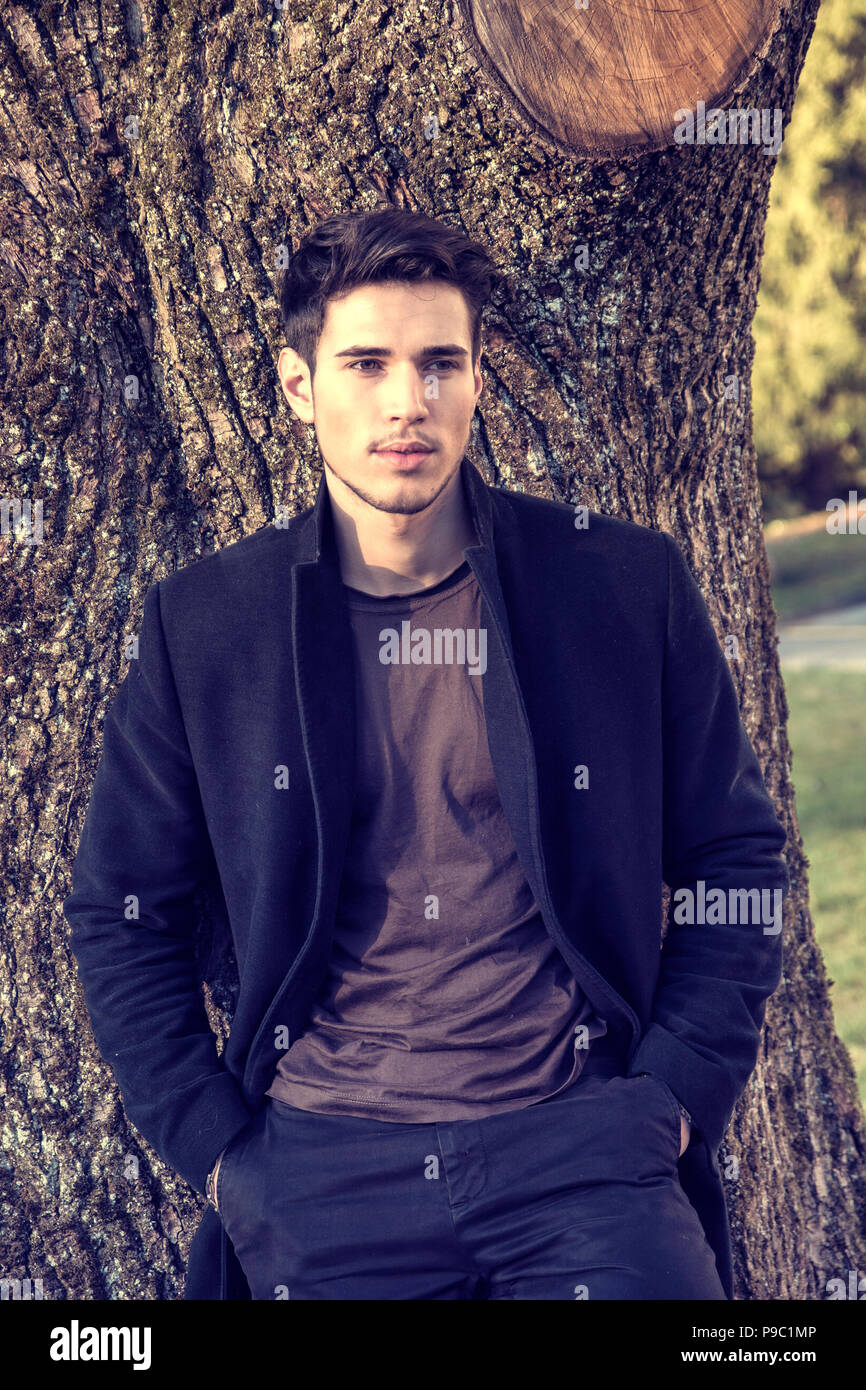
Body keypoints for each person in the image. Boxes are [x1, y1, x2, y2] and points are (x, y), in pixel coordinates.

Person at [64, 207, 789, 1300]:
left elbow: (735, 857)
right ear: (297, 385)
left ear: (478, 380)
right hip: (321, 1175)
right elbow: (120, 913)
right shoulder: (208, 624)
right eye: (366, 363)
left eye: (439, 362)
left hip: (583, 1162)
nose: (408, 401)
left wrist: (672, 1096)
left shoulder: (618, 587)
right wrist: (221, 1156)